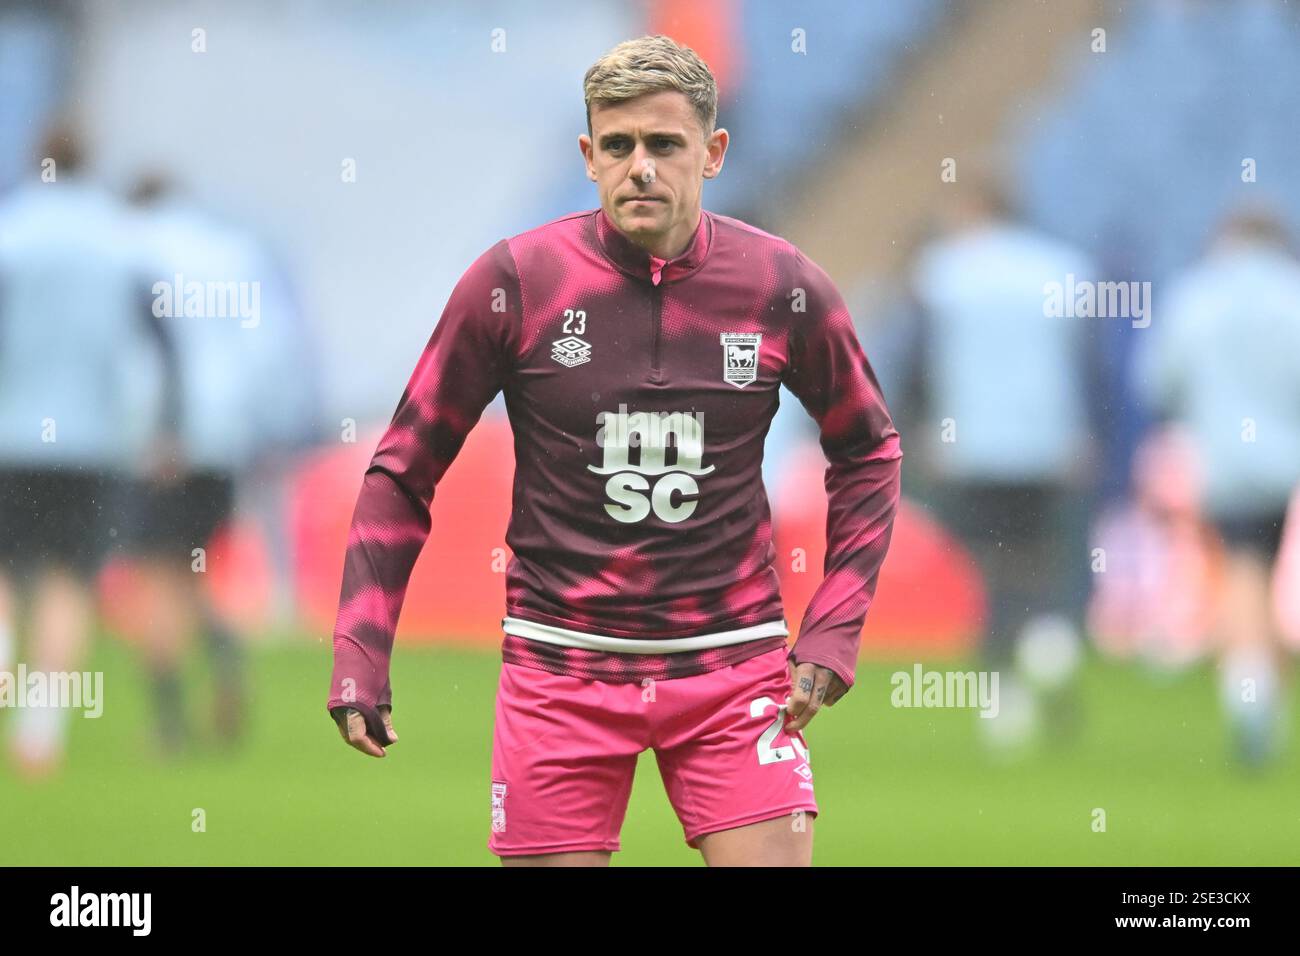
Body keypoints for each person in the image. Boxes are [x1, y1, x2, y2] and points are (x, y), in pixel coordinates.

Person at [326, 35, 903, 866]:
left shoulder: (783, 288)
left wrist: (832, 633)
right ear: (589, 155)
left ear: (713, 152)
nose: (641, 167)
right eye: (620, 146)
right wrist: (359, 653)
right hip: (558, 671)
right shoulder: (515, 284)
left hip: (733, 670)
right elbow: (401, 470)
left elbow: (870, 452)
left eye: (665, 145)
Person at [0, 125, 162, 776]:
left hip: (8, 436)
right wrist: (153, 429)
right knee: (69, 582)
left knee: (6, 578)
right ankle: (39, 735)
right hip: (91, 443)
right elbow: (151, 346)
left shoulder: (11, 229)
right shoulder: (120, 241)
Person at [1134, 207, 1300, 766]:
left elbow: (1159, 380)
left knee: (1241, 568)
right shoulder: (1292, 294)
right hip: (1285, 461)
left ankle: (1247, 690)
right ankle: (1261, 691)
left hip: (1223, 460)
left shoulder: (1196, 296)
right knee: (1261, 567)